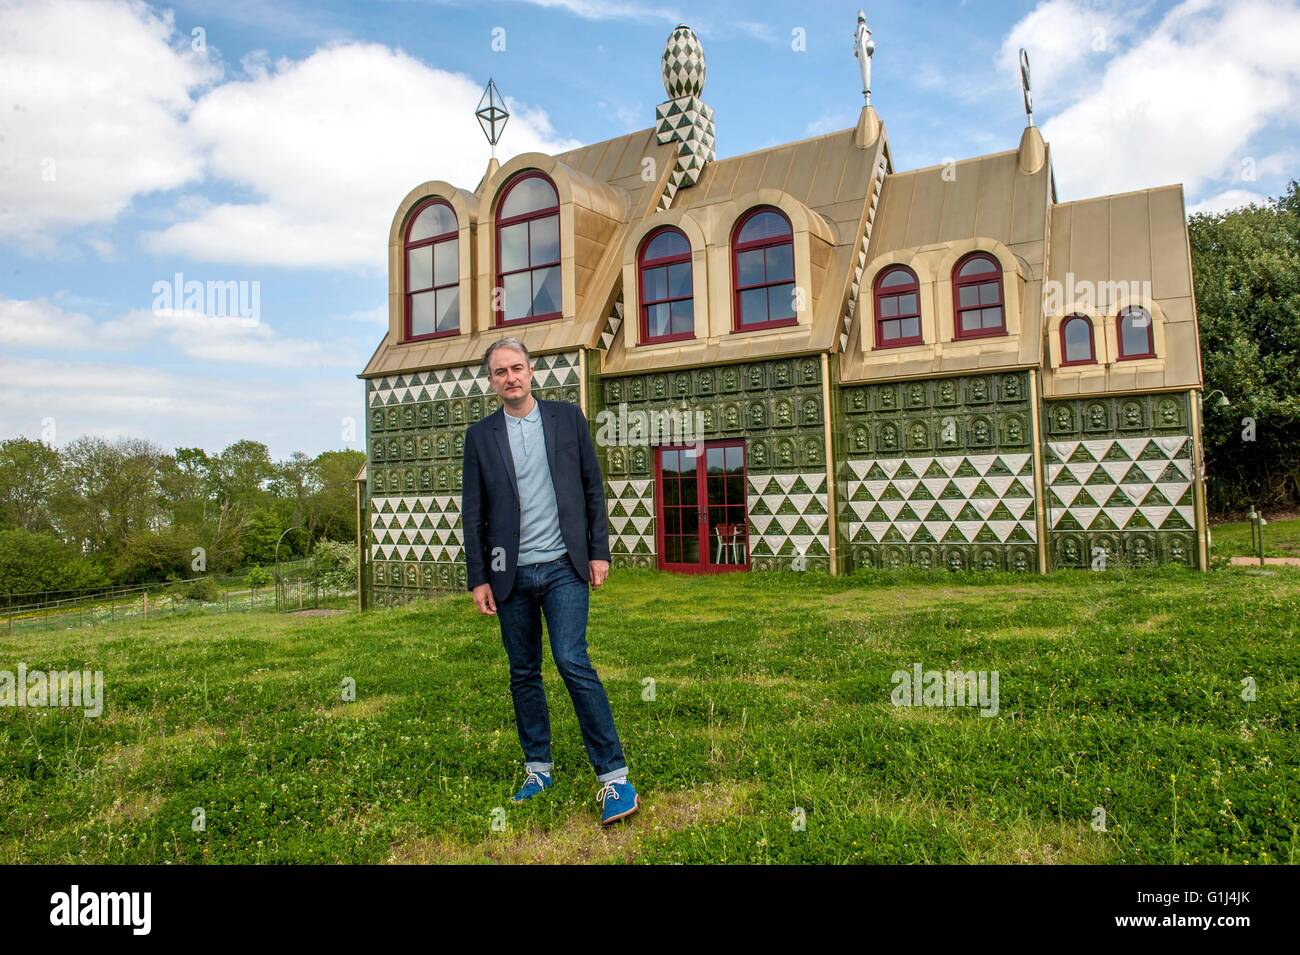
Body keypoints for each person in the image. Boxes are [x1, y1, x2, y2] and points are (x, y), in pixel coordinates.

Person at [461, 337, 639, 827]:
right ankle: (538, 769)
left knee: (571, 658)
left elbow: (591, 488)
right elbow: (473, 512)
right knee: (523, 672)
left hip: (564, 565)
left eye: (517, 368)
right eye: (500, 372)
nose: (510, 377)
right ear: (491, 380)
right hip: (509, 574)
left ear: (531, 371)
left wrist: (598, 551)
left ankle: (614, 778)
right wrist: (479, 577)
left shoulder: (566, 420)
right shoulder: (480, 437)